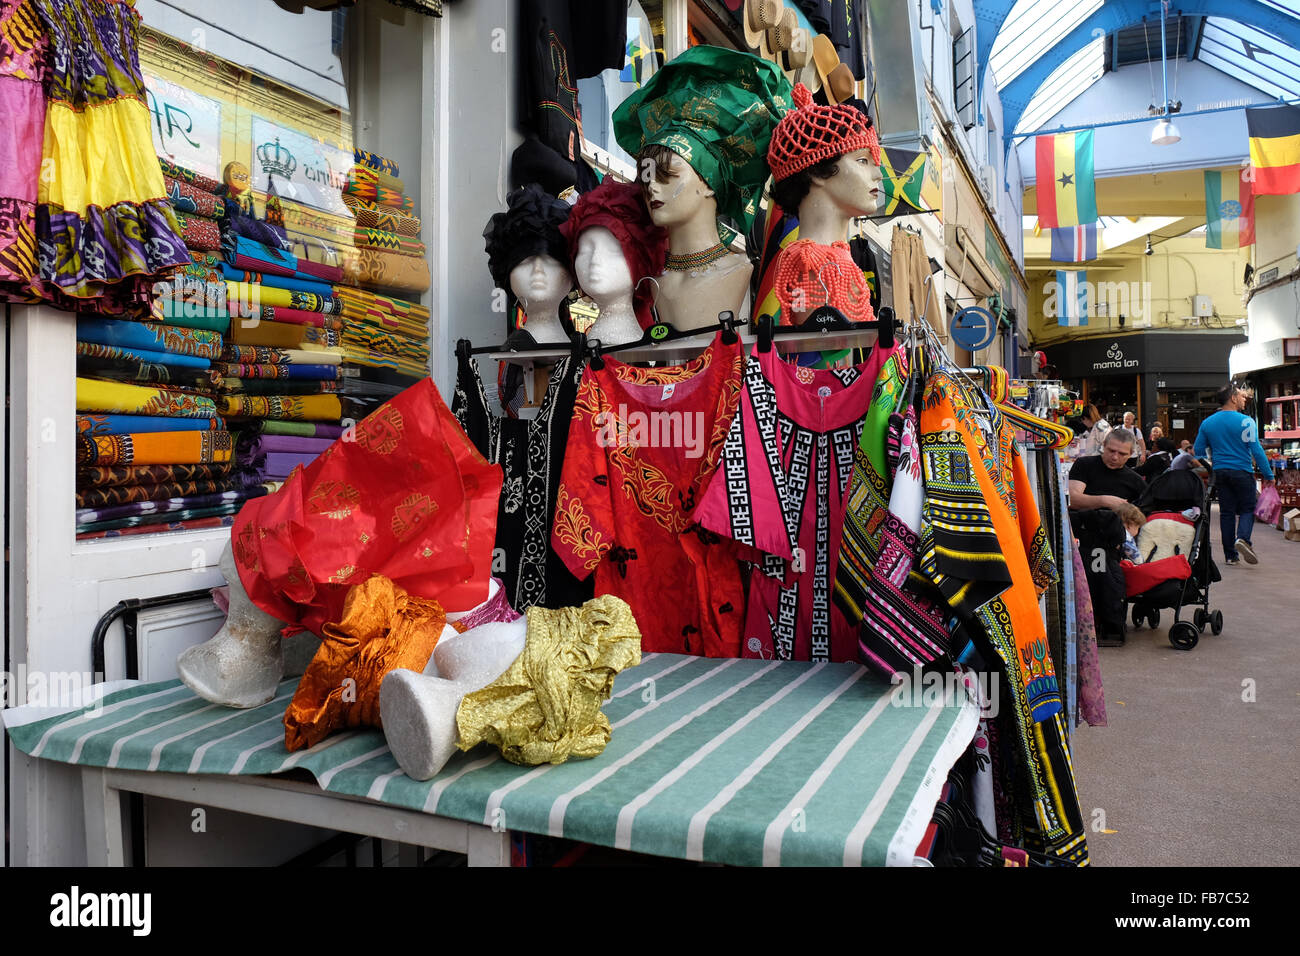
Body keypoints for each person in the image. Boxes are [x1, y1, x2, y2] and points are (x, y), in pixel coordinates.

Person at [1194, 383, 1276, 566]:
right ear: (1232, 398)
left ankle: (1231, 555)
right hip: (1242, 471)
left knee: (1227, 513)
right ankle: (1243, 539)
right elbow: (1256, 450)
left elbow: (1198, 451)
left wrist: (1211, 468)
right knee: (1248, 509)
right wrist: (1268, 475)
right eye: (1240, 396)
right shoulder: (1246, 421)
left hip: (1220, 473)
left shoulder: (1208, 423)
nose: (1244, 398)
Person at [1069, 428, 1146, 510]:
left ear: (1131, 454)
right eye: (1111, 451)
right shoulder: (1084, 464)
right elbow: (1071, 500)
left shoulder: (1135, 480)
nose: (1115, 457)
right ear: (1104, 445)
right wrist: (1104, 501)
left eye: (1122, 454)